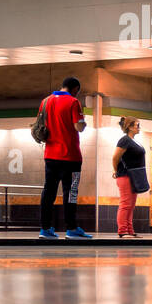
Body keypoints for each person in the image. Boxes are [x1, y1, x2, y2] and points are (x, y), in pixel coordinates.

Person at [38, 76, 90, 240]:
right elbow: (79, 127)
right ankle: (71, 229)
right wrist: (83, 122)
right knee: (71, 192)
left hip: (50, 156)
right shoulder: (74, 102)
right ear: (75, 89)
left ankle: (45, 229)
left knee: (49, 192)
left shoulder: (45, 101)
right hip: (71, 157)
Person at [111, 116, 146, 238]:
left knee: (131, 205)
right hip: (125, 175)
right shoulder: (124, 140)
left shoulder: (134, 141)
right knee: (126, 204)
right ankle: (122, 230)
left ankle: (130, 230)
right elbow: (115, 157)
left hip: (134, 176)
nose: (139, 128)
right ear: (130, 127)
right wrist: (117, 171)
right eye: (137, 125)